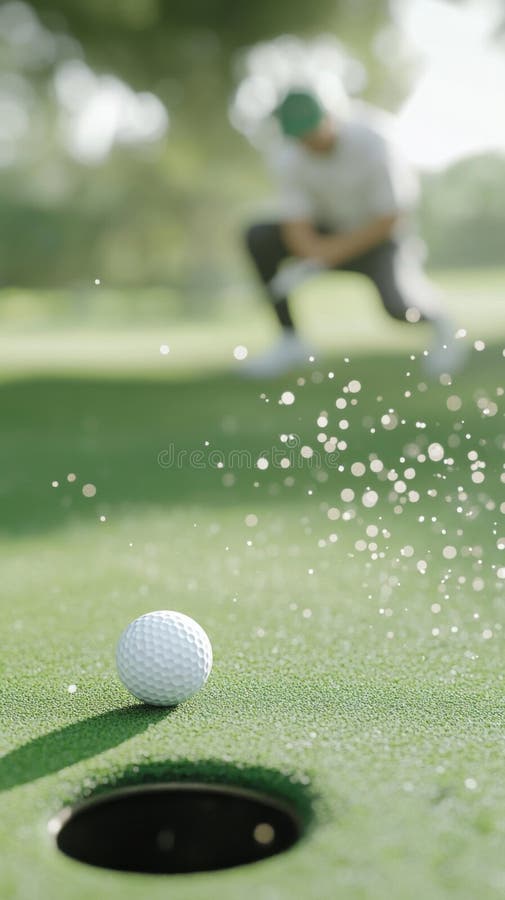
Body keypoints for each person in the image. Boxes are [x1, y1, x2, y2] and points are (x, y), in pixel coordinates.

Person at [242, 88, 463, 378]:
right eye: (299, 137)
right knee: (259, 236)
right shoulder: (290, 156)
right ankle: (291, 341)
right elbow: (295, 224)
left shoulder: (375, 141)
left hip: (382, 240)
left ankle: (440, 320)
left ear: (329, 119)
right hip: (328, 234)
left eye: (310, 133)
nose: (306, 142)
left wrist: (329, 253)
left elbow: (391, 217)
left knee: (398, 309)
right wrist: (314, 252)